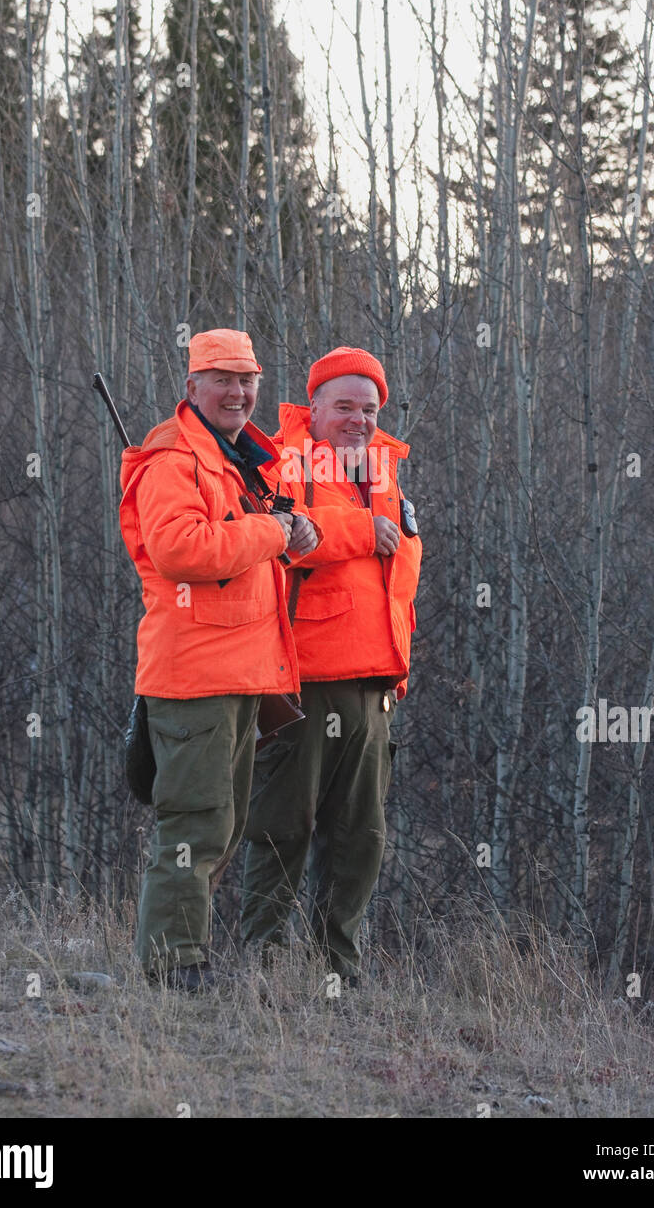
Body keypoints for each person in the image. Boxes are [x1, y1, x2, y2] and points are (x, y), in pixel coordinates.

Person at [118, 328, 319, 992]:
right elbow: (182, 550)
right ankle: (172, 967)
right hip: (194, 674)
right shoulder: (175, 458)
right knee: (195, 825)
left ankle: (184, 957)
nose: (238, 392)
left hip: (239, 674)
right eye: (223, 379)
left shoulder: (234, 458)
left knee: (221, 828)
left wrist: (294, 536)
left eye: (247, 380)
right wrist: (272, 531)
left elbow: (249, 543)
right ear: (193, 387)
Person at [241, 346, 422, 985]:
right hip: (304, 680)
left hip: (375, 685)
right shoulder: (285, 462)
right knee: (282, 827)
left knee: (359, 840)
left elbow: (397, 584)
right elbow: (279, 535)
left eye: (368, 408)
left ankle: (337, 973)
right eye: (343, 405)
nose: (357, 418)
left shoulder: (385, 473)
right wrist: (362, 532)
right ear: (313, 406)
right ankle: (255, 967)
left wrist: (397, 669)